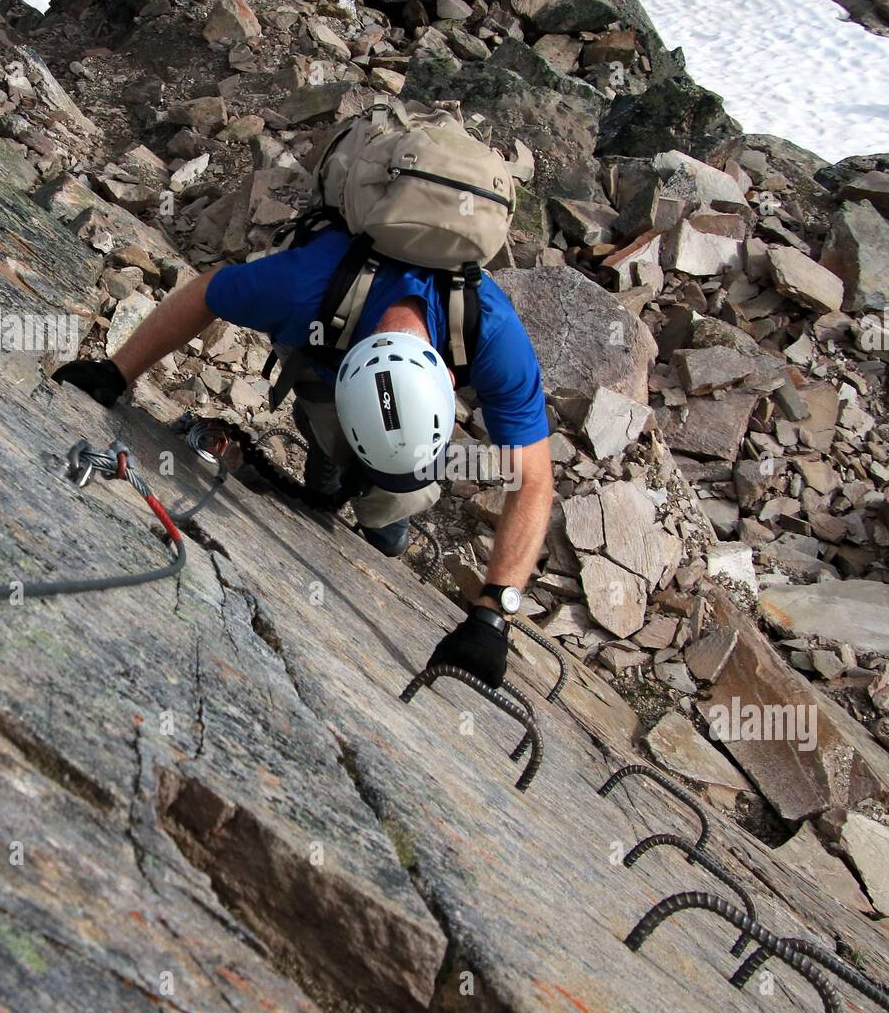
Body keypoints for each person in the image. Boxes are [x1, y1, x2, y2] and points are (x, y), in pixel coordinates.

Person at [53, 225, 553, 688]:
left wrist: (494, 610)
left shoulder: (493, 334)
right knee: (333, 437)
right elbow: (208, 291)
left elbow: (532, 480)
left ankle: (386, 518)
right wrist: (117, 372)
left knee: (403, 494)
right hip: (327, 368)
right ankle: (328, 442)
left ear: (449, 381)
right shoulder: (305, 287)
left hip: (374, 377)